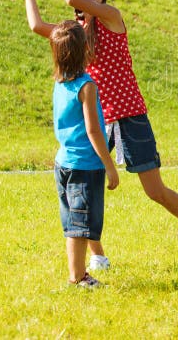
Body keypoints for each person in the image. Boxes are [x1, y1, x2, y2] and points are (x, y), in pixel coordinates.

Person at [16, 0, 178, 269]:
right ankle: (98, 257)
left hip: (130, 114)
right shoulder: (74, 32)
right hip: (94, 117)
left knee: (154, 191)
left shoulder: (111, 17)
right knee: (87, 189)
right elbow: (36, 26)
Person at [48, 20, 119, 287]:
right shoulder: (86, 86)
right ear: (85, 51)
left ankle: (77, 274)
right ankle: (77, 277)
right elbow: (94, 131)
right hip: (85, 166)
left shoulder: (59, 83)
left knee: (72, 223)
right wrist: (109, 165)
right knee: (79, 226)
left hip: (63, 162)